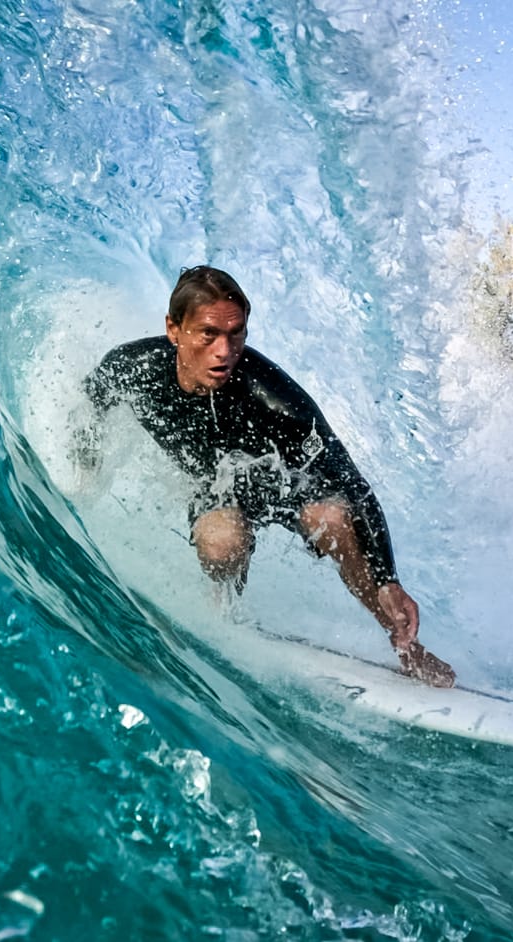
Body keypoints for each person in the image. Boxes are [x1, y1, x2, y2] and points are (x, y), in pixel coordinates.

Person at [72, 266, 455, 688]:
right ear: (174, 329)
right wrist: (83, 478)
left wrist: (388, 580)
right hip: (215, 485)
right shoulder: (135, 368)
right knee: (222, 542)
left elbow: (351, 483)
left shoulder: (275, 400)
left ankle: (404, 644)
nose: (224, 351)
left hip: (282, 484)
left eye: (236, 334)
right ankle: (224, 611)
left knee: (332, 519)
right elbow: (92, 405)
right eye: (208, 334)